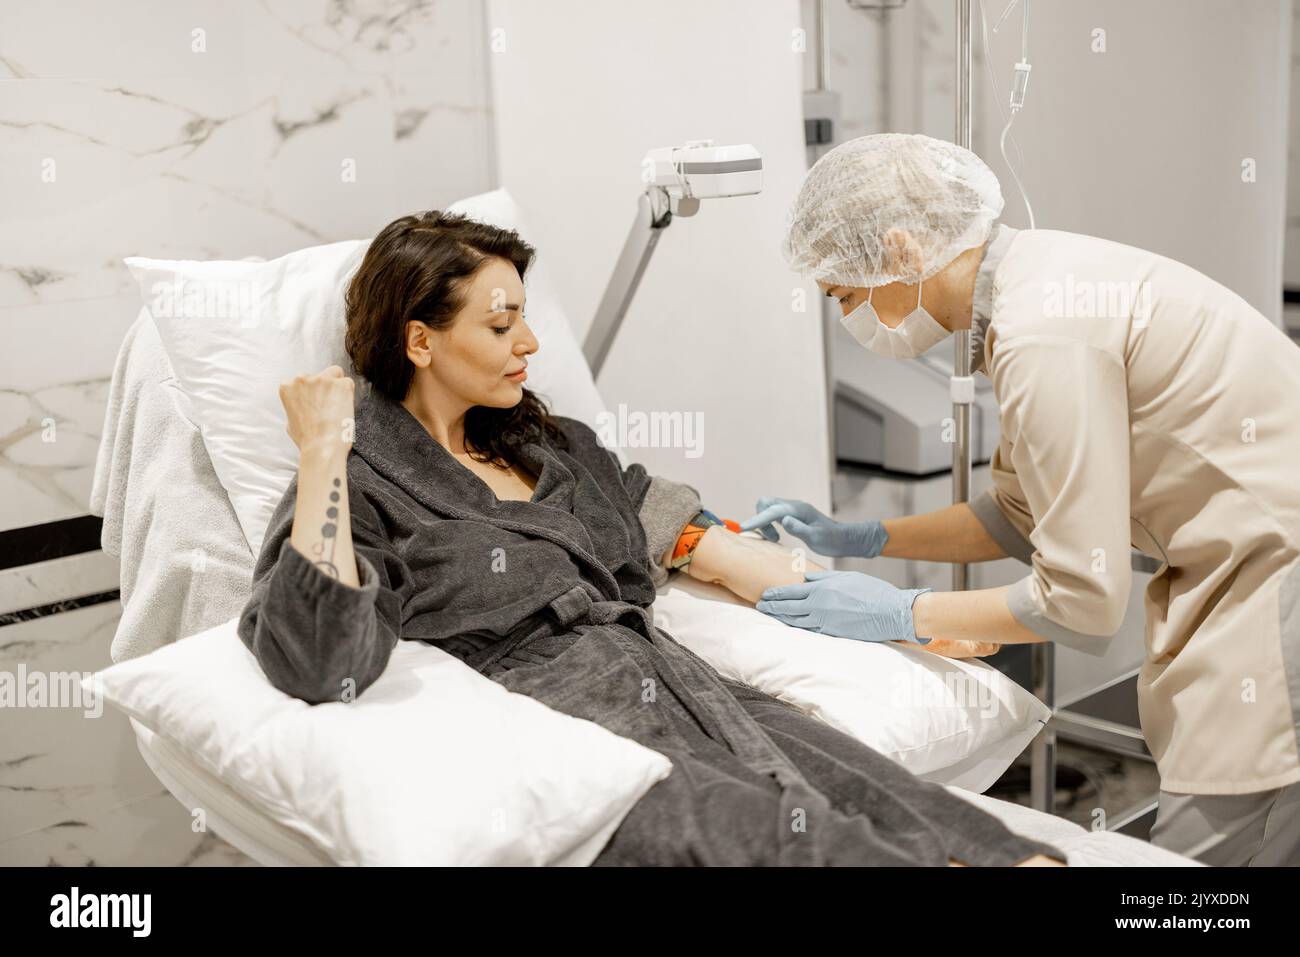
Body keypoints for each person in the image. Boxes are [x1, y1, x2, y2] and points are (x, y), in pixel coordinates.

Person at [237, 209, 1066, 866]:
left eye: (526, 318)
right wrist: (320, 450)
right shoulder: (362, 479)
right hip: (574, 724)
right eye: (500, 326)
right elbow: (321, 657)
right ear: (420, 339)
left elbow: (673, 527)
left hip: (683, 682)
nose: (528, 343)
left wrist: (900, 613)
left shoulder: (549, 444)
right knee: (795, 843)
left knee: (928, 813)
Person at [748, 131, 1300, 866]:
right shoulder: (1033, 287)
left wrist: (898, 613)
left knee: (1199, 870)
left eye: (846, 295)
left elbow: (1080, 597)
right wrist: (862, 537)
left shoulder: (1043, 335)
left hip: (1276, 584)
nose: (850, 317)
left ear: (905, 252)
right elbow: (1017, 512)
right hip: (1245, 564)